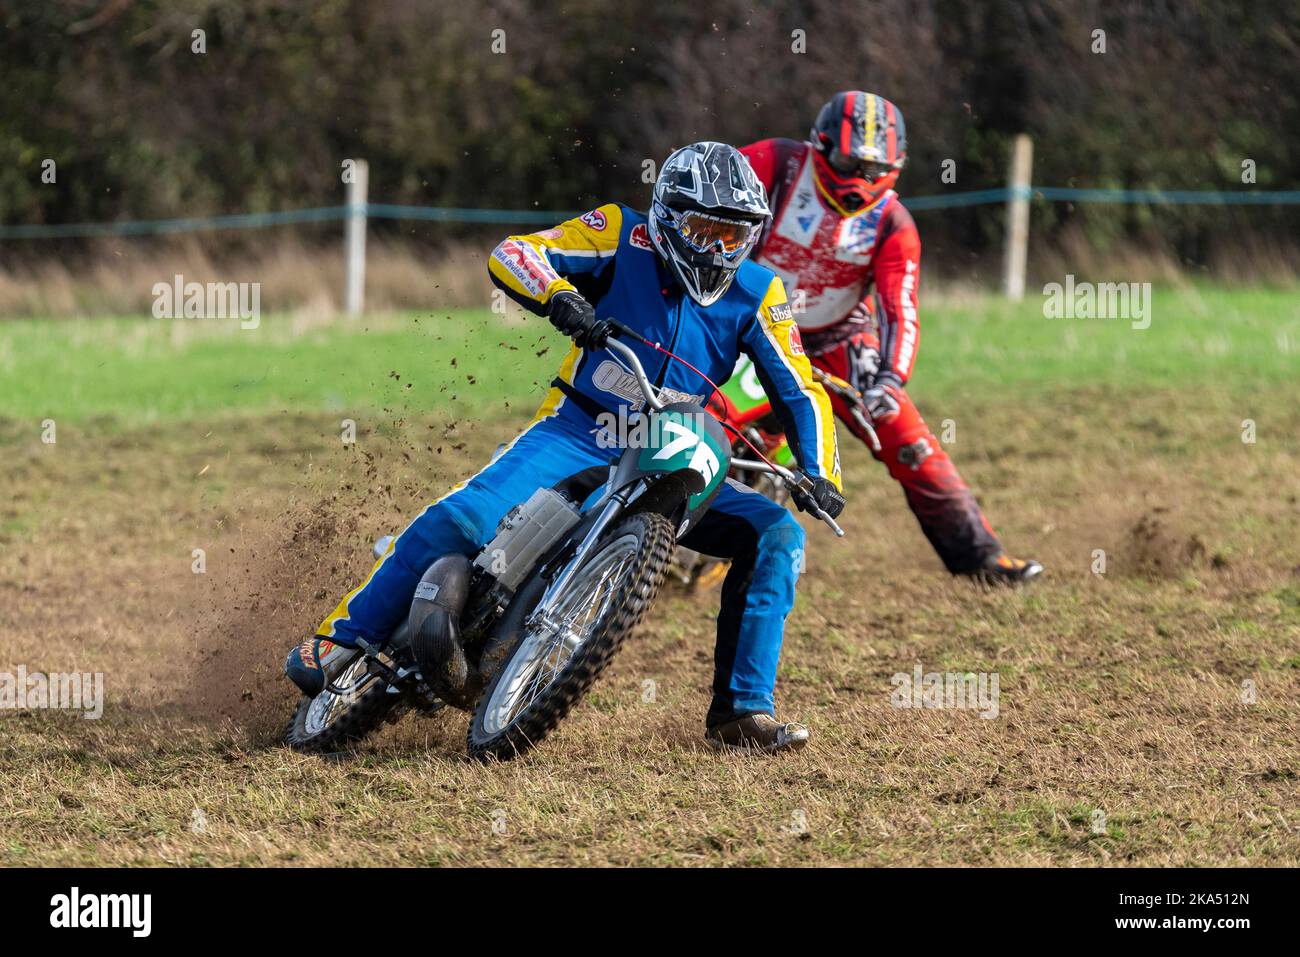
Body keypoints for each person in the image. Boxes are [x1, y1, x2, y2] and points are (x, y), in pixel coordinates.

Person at [287, 142, 845, 753]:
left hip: (676, 451)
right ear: (667, 216)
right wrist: (562, 298)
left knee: (779, 535)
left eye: (733, 236)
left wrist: (820, 473)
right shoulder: (619, 232)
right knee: (467, 516)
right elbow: (517, 253)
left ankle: (744, 712)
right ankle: (342, 635)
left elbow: (801, 389)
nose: (717, 250)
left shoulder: (761, 293)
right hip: (581, 428)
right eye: (704, 230)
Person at [740, 91, 1042, 584]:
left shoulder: (894, 225)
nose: (858, 179)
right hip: (746, 323)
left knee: (909, 443)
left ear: (896, 167)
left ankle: (981, 557)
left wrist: (889, 380)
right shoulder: (772, 163)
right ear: (817, 146)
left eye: (872, 168)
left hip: (839, 340)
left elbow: (900, 309)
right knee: (686, 403)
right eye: (847, 161)